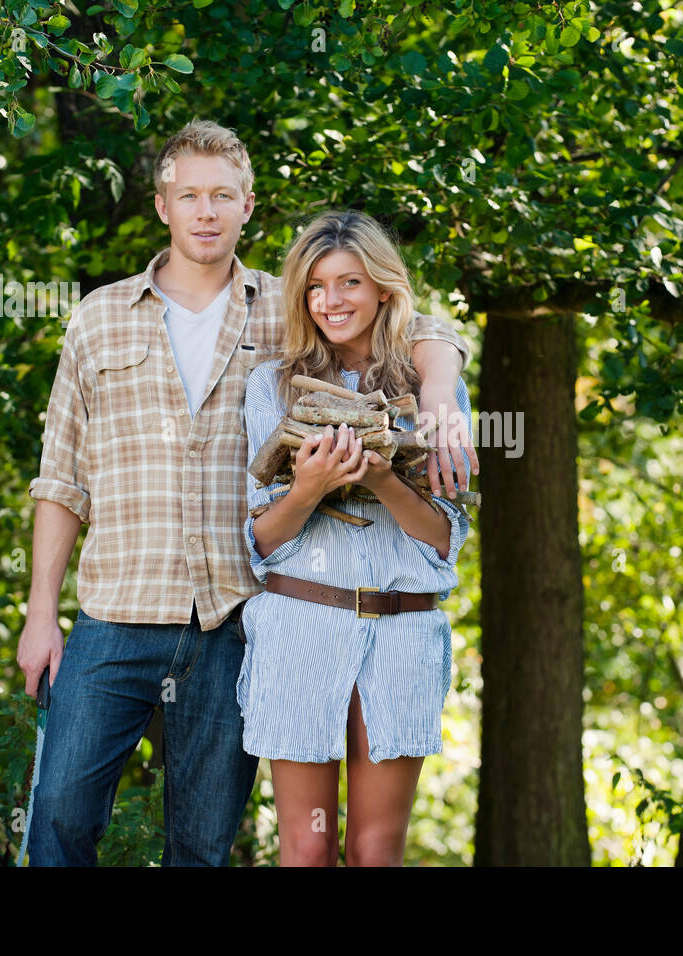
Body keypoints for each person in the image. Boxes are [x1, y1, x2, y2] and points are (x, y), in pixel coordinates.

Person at [17, 120, 478, 866]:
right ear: (162, 204)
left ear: (247, 206)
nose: (206, 211)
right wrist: (41, 615)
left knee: (203, 846)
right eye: (190, 195)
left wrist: (441, 394)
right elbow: (60, 479)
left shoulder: (286, 309)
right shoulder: (97, 318)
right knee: (61, 822)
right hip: (116, 612)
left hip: (232, 616)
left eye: (222, 196)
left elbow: (411, 321)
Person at [238, 210, 473, 866]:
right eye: (315, 287)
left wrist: (384, 480)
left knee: (376, 852)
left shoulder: (430, 394)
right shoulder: (273, 388)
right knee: (307, 849)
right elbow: (259, 541)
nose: (331, 301)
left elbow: (443, 541)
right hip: (300, 627)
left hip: (402, 637)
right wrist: (309, 489)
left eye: (348, 283)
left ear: (382, 290)